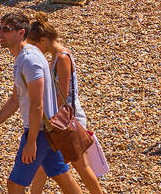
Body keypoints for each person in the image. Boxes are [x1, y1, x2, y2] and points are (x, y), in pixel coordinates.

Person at [0, 12, 83, 194]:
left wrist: (31, 141)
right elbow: (15, 99)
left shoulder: (29, 60)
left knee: (15, 185)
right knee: (64, 179)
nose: (1, 33)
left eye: (7, 29)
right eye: (0, 28)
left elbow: (37, 104)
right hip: (48, 131)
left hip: (40, 133)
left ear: (21, 33)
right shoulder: (23, 57)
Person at [26, 14, 105, 194]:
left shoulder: (62, 57)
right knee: (43, 164)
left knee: (80, 166)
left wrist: (50, 120)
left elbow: (63, 93)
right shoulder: (55, 56)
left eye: (34, 45)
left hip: (67, 119)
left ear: (44, 40)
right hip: (62, 118)